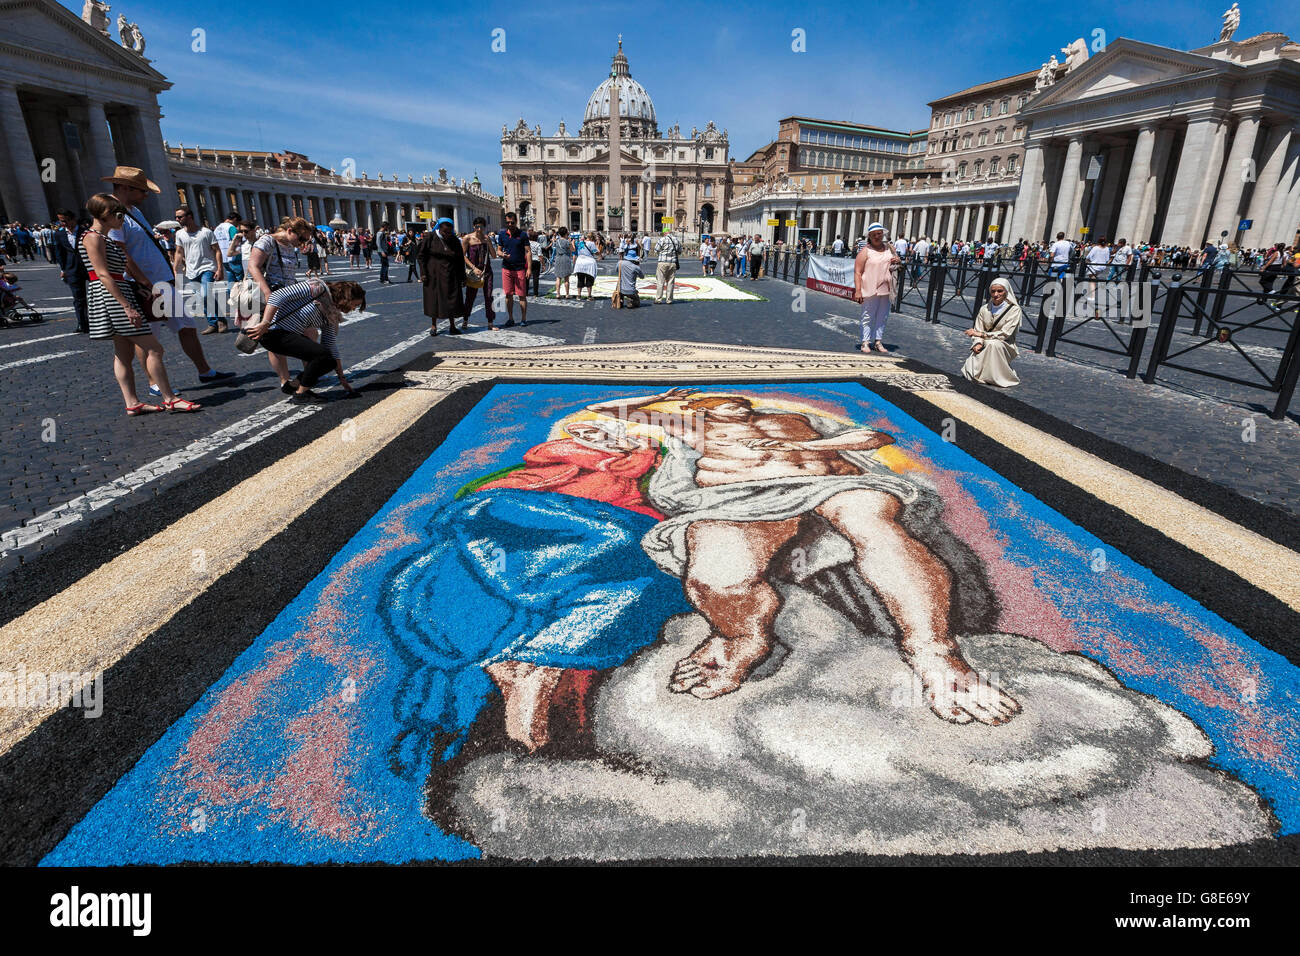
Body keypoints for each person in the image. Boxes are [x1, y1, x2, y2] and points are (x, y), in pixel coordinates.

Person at [103, 165, 233, 394]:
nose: (146, 195)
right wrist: (144, 283)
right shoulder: (114, 213)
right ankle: (153, 383)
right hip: (146, 285)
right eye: (142, 190)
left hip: (160, 281)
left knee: (186, 325)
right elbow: (120, 254)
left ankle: (205, 371)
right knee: (148, 337)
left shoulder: (134, 210)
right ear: (125, 187)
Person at [80, 193, 198, 415]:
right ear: (106, 215)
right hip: (112, 296)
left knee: (123, 354)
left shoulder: (103, 238)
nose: (122, 220)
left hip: (116, 292)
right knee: (154, 348)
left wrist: (142, 286)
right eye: (119, 215)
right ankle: (170, 398)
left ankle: (132, 403)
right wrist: (126, 305)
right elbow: (103, 274)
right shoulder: (93, 237)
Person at [243, 278, 365, 404]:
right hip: (272, 332)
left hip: (287, 335)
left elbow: (330, 345)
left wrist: (342, 377)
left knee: (329, 361)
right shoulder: (317, 287)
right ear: (347, 297)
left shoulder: (332, 313)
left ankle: (294, 386)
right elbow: (277, 296)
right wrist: (265, 323)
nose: (354, 309)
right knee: (322, 355)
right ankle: (301, 395)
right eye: (355, 305)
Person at [248, 216, 313, 389]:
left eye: (306, 240)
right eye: (301, 238)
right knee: (275, 339)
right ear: (290, 231)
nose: (303, 243)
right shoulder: (267, 241)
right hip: (271, 296)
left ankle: (308, 376)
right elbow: (253, 266)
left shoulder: (291, 246)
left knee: (310, 332)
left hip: (289, 296)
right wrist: (267, 292)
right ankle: (285, 381)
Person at [173, 206, 225, 334]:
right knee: (202, 298)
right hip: (191, 270)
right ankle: (213, 323)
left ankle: (220, 320)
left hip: (207, 267)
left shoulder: (206, 232)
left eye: (180, 217)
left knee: (205, 294)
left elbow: (217, 250)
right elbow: (179, 252)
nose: (177, 219)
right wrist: (175, 269)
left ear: (189, 216)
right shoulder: (179, 234)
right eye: (176, 217)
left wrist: (220, 269)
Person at [962, 277, 1022, 387]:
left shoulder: (1014, 310)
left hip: (1005, 343)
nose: (996, 294)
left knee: (993, 344)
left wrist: (981, 335)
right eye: (993, 291)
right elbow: (978, 328)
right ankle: (981, 374)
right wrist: (978, 342)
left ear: (1006, 292)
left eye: (1000, 291)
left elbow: (1005, 334)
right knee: (988, 344)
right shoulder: (984, 309)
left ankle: (997, 377)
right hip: (985, 341)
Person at [851, 222, 901, 354]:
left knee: (882, 316)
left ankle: (878, 341)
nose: (877, 237)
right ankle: (865, 342)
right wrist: (858, 290)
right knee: (868, 316)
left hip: (886, 288)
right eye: (874, 235)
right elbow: (857, 272)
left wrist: (898, 261)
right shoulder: (865, 251)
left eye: (879, 234)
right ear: (870, 237)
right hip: (869, 288)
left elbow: (897, 261)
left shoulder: (889, 248)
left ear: (883, 234)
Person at [418, 217, 467, 335]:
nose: (447, 235)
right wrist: (423, 273)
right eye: (445, 232)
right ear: (439, 228)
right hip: (433, 274)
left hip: (451, 273)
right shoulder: (429, 238)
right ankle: (434, 326)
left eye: (449, 232)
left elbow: (460, 259)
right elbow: (421, 256)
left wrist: (462, 277)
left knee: (452, 300)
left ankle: (452, 326)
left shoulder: (454, 240)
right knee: (433, 299)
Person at [53, 208, 89, 334]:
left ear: (73, 219)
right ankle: (82, 323)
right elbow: (59, 253)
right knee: (78, 298)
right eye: (60, 221)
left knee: (101, 293)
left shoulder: (86, 231)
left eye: (65, 220)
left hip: (89, 267)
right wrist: (63, 269)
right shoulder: (59, 234)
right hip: (72, 269)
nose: (63, 223)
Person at [495, 211, 530, 326]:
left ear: (516, 221)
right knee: (508, 295)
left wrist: (529, 268)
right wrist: (502, 255)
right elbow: (498, 250)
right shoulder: (502, 234)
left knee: (522, 295)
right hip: (507, 269)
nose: (510, 224)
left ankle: (524, 319)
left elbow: (528, 252)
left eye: (512, 222)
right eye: (508, 223)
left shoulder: (523, 234)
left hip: (520, 268)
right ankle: (510, 318)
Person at [462, 216, 496, 329]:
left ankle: (490, 322)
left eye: (481, 227)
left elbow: (494, 255)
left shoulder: (486, 239)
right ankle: (465, 319)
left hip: (487, 271)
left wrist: (489, 242)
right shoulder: (467, 238)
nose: (479, 229)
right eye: (477, 227)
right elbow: (462, 256)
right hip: (473, 272)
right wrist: (473, 267)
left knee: (489, 296)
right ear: (473, 226)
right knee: (470, 297)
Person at [654, 230, 681, 303]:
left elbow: (656, 250)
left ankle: (658, 299)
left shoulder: (662, 239)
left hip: (662, 262)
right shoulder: (676, 240)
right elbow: (679, 251)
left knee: (660, 281)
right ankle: (669, 299)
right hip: (672, 263)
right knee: (670, 282)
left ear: (664, 233)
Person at [550, 227, 575, 299]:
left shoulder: (556, 241)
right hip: (565, 258)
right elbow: (573, 250)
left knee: (558, 277)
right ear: (566, 233)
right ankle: (567, 294)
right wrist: (572, 243)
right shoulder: (567, 242)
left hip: (558, 258)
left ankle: (558, 294)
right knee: (566, 278)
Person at [573, 232, 598, 301]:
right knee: (589, 279)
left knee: (580, 279)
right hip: (589, 263)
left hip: (579, 262)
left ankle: (578, 296)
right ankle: (589, 296)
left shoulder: (580, 242)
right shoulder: (591, 243)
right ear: (592, 238)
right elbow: (596, 252)